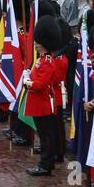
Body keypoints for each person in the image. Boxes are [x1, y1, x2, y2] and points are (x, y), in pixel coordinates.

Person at [24, 16, 69, 177]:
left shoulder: (48, 61)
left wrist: (27, 82)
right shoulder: (43, 59)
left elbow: (40, 84)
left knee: (46, 136)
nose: (35, 44)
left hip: (43, 103)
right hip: (39, 102)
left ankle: (45, 164)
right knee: (44, 135)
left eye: (38, 41)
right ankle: (45, 162)